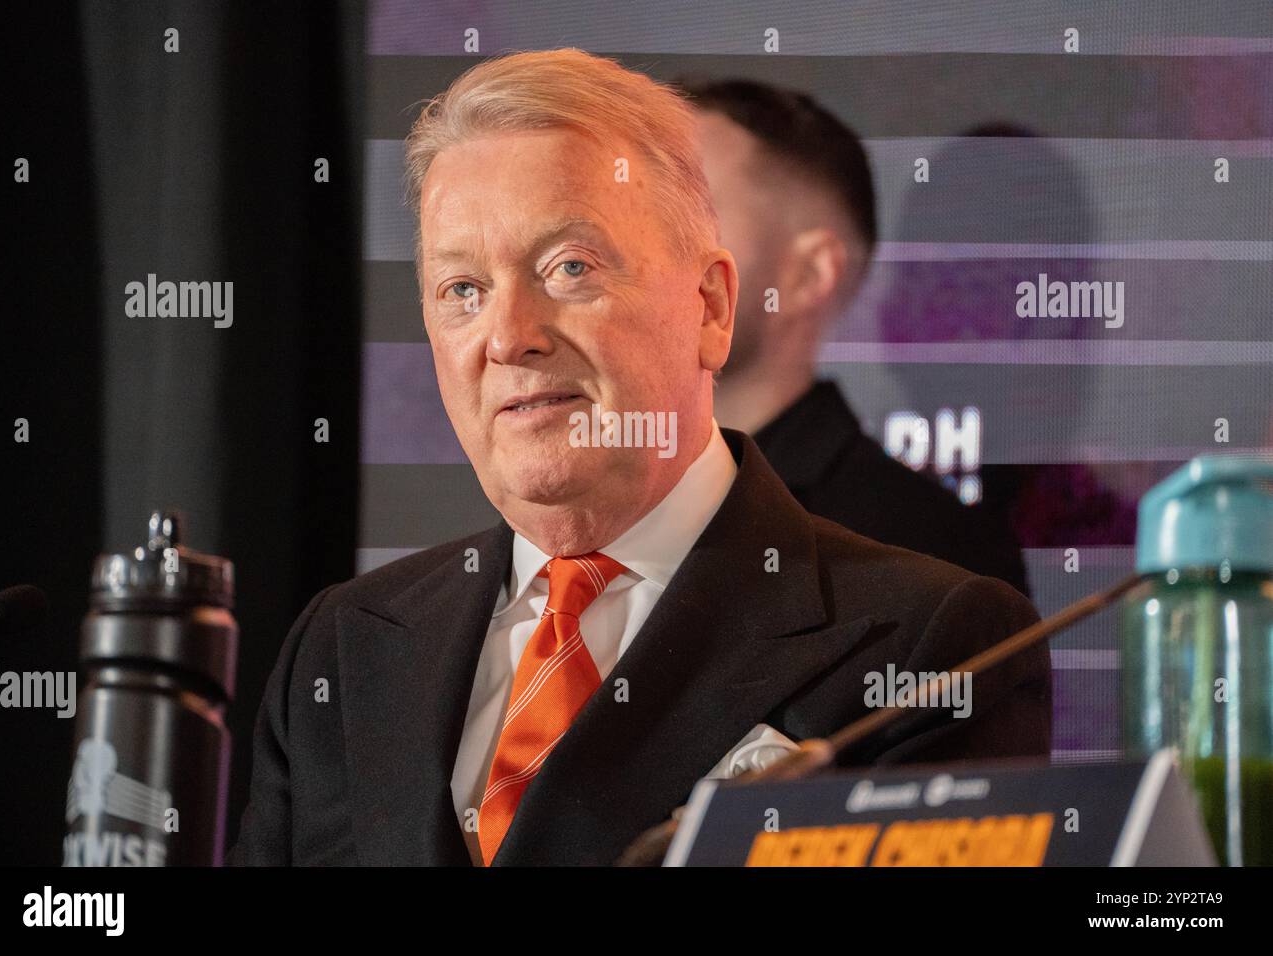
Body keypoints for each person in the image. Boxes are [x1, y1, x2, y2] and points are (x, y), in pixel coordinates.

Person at [229, 49, 1050, 867]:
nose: (510, 335)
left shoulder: (929, 645)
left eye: (570, 268)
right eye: (463, 290)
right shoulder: (345, 647)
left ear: (711, 308)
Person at [681, 78, 1030, 595]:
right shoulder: (566, 505)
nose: (631, 253)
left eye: (687, 215)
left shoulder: (928, 558)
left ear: (808, 276)